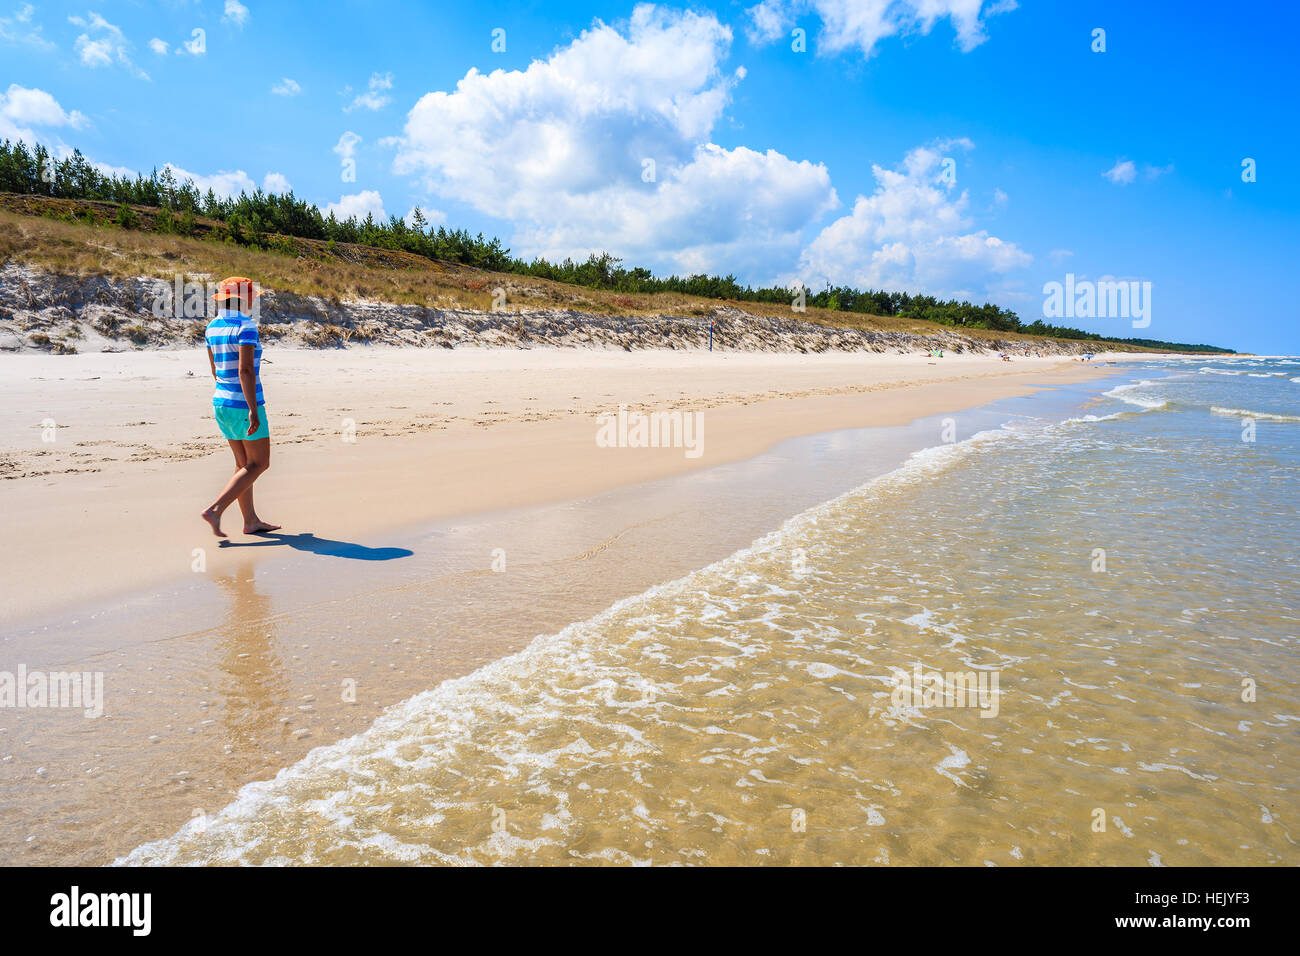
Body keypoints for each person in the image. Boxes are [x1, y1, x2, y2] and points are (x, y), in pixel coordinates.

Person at [200, 276, 280, 538]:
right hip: (243, 403)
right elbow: (245, 370)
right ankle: (215, 509)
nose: (251, 302)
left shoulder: (212, 327)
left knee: (243, 464)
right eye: (250, 298)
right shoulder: (246, 327)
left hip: (221, 401)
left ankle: (250, 521)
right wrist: (253, 409)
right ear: (242, 299)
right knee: (259, 463)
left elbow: (215, 369)